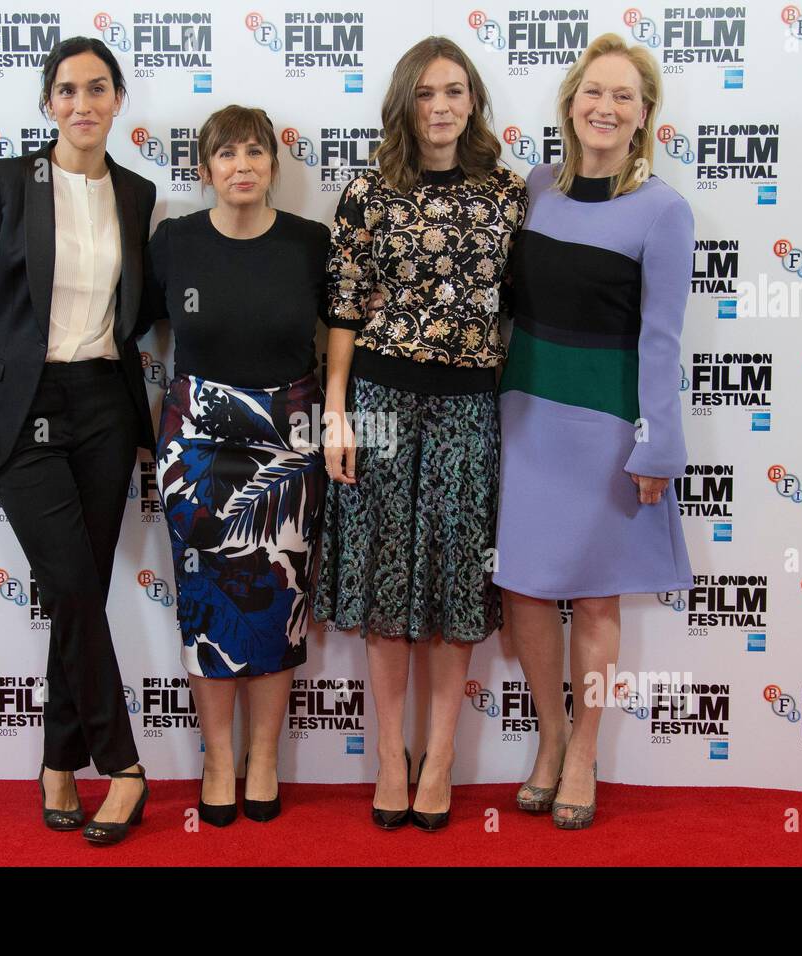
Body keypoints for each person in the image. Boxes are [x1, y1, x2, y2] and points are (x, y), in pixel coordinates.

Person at [313, 36, 528, 831]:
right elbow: (343, 309)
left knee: (452, 583)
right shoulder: (367, 192)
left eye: (456, 91)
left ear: (473, 102)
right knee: (383, 584)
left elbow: (518, 305)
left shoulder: (508, 193)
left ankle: (439, 758)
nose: (441, 105)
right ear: (405, 102)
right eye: (427, 92)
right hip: (378, 398)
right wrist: (336, 412)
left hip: (471, 407)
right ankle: (387, 758)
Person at [0, 36, 157, 846]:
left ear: (117, 99)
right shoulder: (6, 181)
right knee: (71, 583)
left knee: (80, 595)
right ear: (47, 104)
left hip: (103, 404)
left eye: (97, 89)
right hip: (20, 409)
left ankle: (57, 763)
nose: (82, 104)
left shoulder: (136, 194)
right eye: (67, 90)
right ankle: (125, 764)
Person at [493, 33, 694, 829]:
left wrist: (658, 443)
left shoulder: (664, 210)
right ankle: (549, 738)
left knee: (597, 599)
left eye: (623, 97)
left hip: (607, 429)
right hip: (525, 416)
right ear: (570, 104)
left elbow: (662, 339)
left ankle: (586, 748)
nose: (605, 108)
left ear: (644, 119)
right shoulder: (536, 187)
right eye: (593, 93)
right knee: (526, 594)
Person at [149, 105, 329, 826]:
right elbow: (134, 322)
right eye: (225, 154)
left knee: (278, 605)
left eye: (255, 151)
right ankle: (216, 758)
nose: (241, 165)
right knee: (205, 607)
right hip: (194, 442)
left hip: (290, 438)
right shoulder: (174, 242)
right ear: (204, 170)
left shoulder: (311, 243)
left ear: (275, 166)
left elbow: (340, 332)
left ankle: (264, 758)